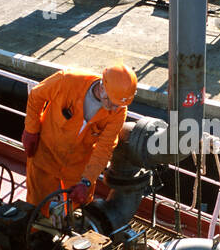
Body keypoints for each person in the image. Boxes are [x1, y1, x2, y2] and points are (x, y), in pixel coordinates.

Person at [21, 62, 138, 207]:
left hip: (77, 168)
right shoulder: (67, 80)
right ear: (102, 87)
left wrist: (86, 181)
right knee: (36, 209)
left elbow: (105, 148)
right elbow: (36, 96)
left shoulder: (119, 111)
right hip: (45, 156)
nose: (114, 109)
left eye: (118, 105)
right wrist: (31, 130)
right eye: (112, 103)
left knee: (77, 216)